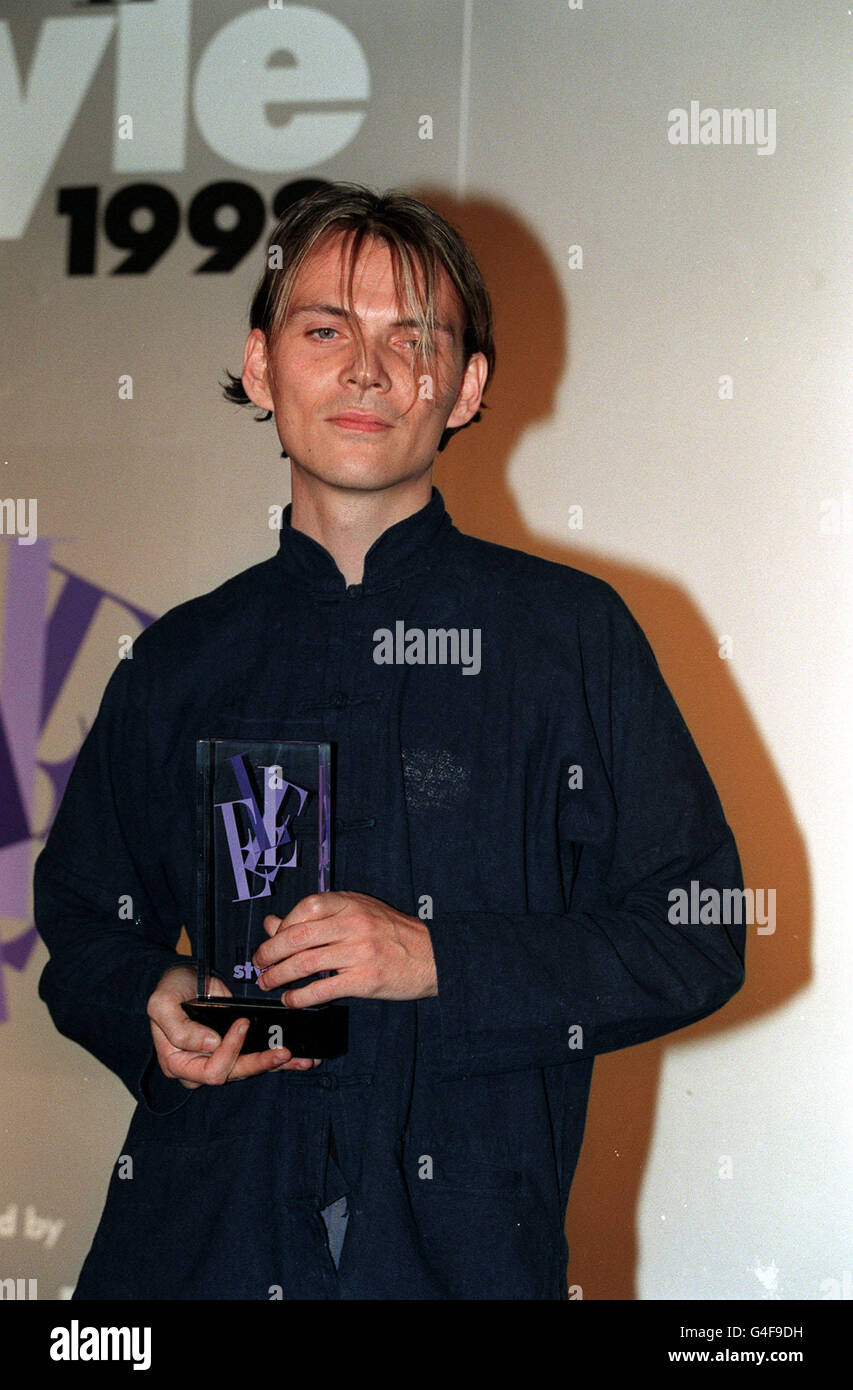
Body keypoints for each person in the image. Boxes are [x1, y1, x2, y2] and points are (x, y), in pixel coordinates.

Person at [34, 183, 745, 1300]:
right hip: (190, 1250)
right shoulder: (177, 660)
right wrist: (152, 992)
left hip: (458, 1260)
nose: (365, 371)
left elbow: (694, 934)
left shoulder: (570, 638)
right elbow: (79, 919)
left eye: (410, 341)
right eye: (326, 330)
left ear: (464, 388)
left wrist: (435, 958)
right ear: (263, 367)